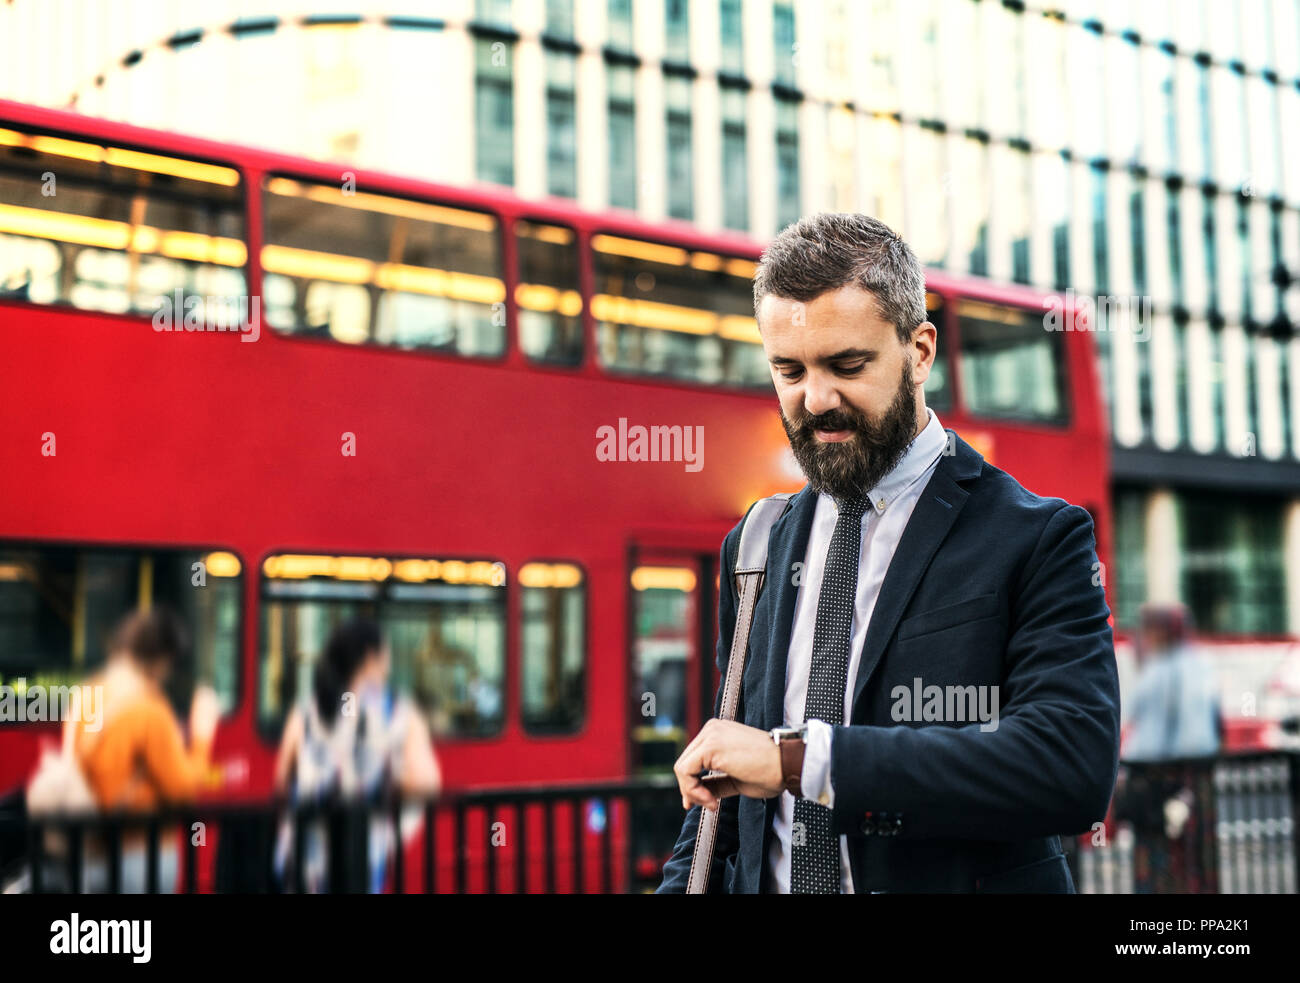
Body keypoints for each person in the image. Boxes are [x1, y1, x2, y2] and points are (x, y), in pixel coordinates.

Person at [657, 213, 1120, 893]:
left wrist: (801, 760)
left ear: (920, 350)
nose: (815, 399)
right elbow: (722, 798)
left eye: (847, 365)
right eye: (789, 370)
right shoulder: (754, 542)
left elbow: (1068, 766)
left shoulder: (1038, 536)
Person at [273, 617, 440, 892]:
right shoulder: (396, 712)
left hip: (303, 858)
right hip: (360, 854)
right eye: (387, 655)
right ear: (371, 656)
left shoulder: (306, 710)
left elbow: (281, 781)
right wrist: (383, 784)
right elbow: (427, 782)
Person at [65, 606, 219, 892]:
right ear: (161, 659)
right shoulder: (149, 708)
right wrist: (202, 736)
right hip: (140, 854)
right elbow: (181, 789)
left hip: (91, 853)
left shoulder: (87, 695)